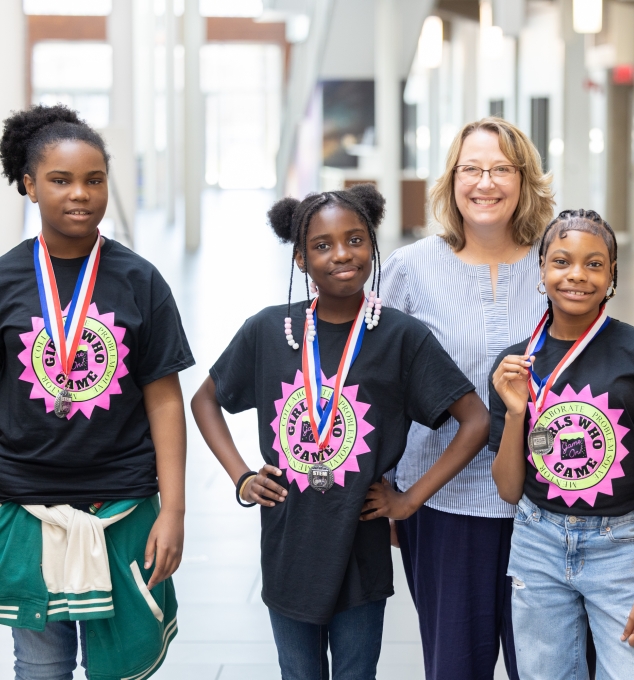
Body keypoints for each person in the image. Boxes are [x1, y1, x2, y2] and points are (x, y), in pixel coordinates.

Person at [191, 184, 490, 680]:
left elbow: (476, 419)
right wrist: (241, 475)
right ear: (300, 260)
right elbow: (204, 399)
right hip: (289, 544)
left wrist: (410, 499)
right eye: (322, 245)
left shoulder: (400, 336)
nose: (341, 255)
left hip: (361, 546)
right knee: (298, 672)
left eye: (354, 240)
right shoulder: (269, 330)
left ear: (373, 245)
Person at [0, 104, 192, 679]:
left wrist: (174, 510)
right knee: (40, 664)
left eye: (94, 179)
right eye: (60, 180)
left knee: (122, 664)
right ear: (30, 186)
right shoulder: (6, 280)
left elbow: (163, 399)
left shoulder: (139, 279)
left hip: (124, 503)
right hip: (24, 503)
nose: (79, 194)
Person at [488, 209, 634, 680]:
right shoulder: (514, 365)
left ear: (612, 276)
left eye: (594, 264)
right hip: (537, 541)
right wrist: (516, 413)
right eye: (561, 261)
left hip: (621, 545)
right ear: (541, 271)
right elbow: (507, 489)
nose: (577, 275)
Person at [379, 117, 555, 680]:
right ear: (452, 180)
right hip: (443, 505)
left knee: (544, 666)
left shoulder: (556, 264)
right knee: (456, 665)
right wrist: (388, 488)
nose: (486, 182)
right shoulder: (410, 269)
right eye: (472, 169)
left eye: (502, 169)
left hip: (544, 505)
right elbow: (381, 383)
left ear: (525, 180)